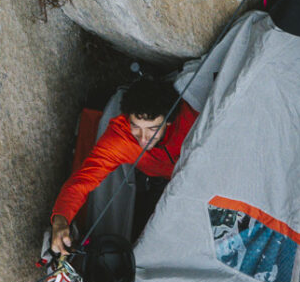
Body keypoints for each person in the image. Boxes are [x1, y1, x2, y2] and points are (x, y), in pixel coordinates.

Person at [49, 75, 196, 257]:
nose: (143, 138)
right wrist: (61, 219)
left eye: (152, 129)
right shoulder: (120, 137)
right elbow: (83, 180)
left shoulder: (193, 124)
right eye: (136, 126)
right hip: (151, 180)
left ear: (169, 120)